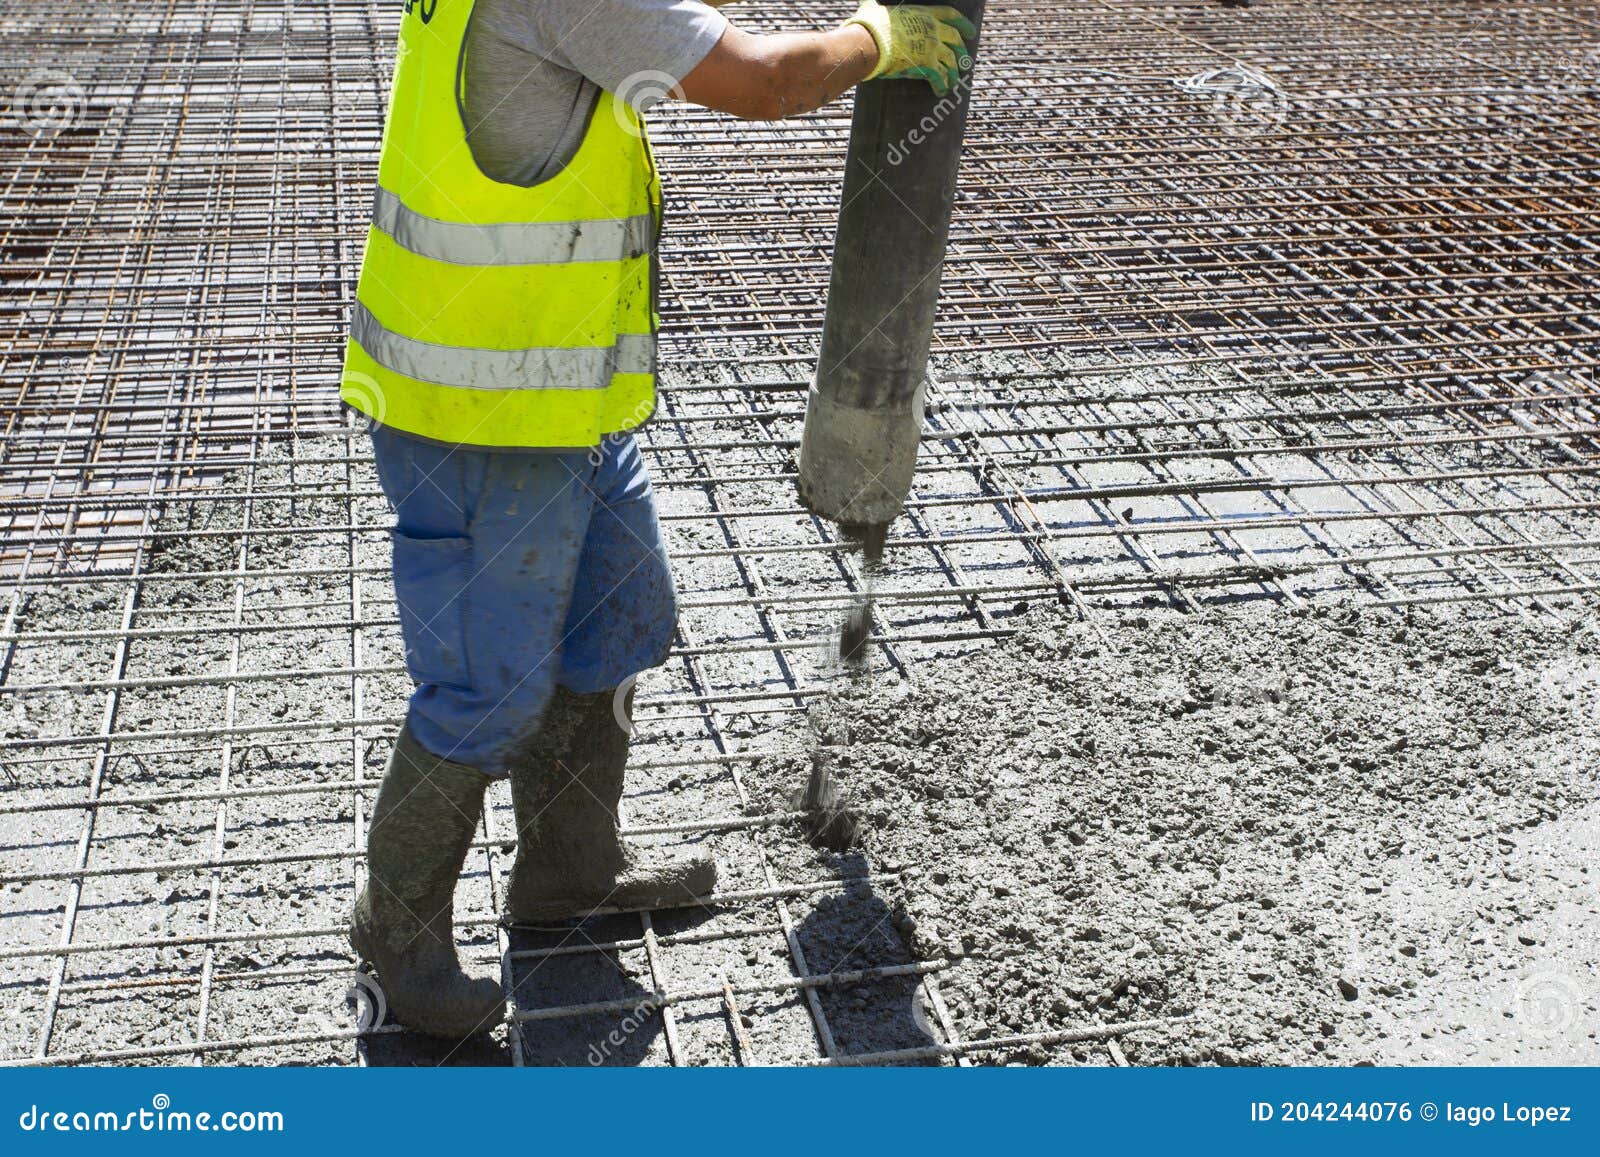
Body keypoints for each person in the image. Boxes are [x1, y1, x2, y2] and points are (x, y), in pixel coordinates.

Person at [339, 0, 975, 1038]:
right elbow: (765, 81)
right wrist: (884, 35)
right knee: (483, 687)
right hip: (482, 420)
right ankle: (397, 930)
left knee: (620, 619)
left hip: (564, 399)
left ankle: (569, 870)